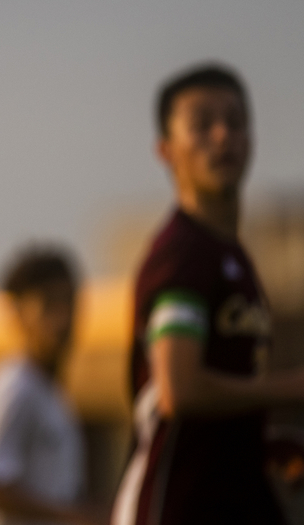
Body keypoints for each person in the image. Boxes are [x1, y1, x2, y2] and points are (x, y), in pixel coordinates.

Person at [111, 64, 304, 525]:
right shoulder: (183, 254)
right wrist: (292, 388)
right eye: (202, 125)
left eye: (235, 122)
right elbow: (180, 388)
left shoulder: (232, 256)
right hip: (176, 504)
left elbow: (229, 398)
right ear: (166, 150)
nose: (223, 136)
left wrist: (269, 446)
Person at [0, 246, 92, 525]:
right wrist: (69, 515)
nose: (63, 320)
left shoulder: (52, 393)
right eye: (49, 306)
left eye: (70, 303)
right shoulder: (13, 387)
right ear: (17, 313)